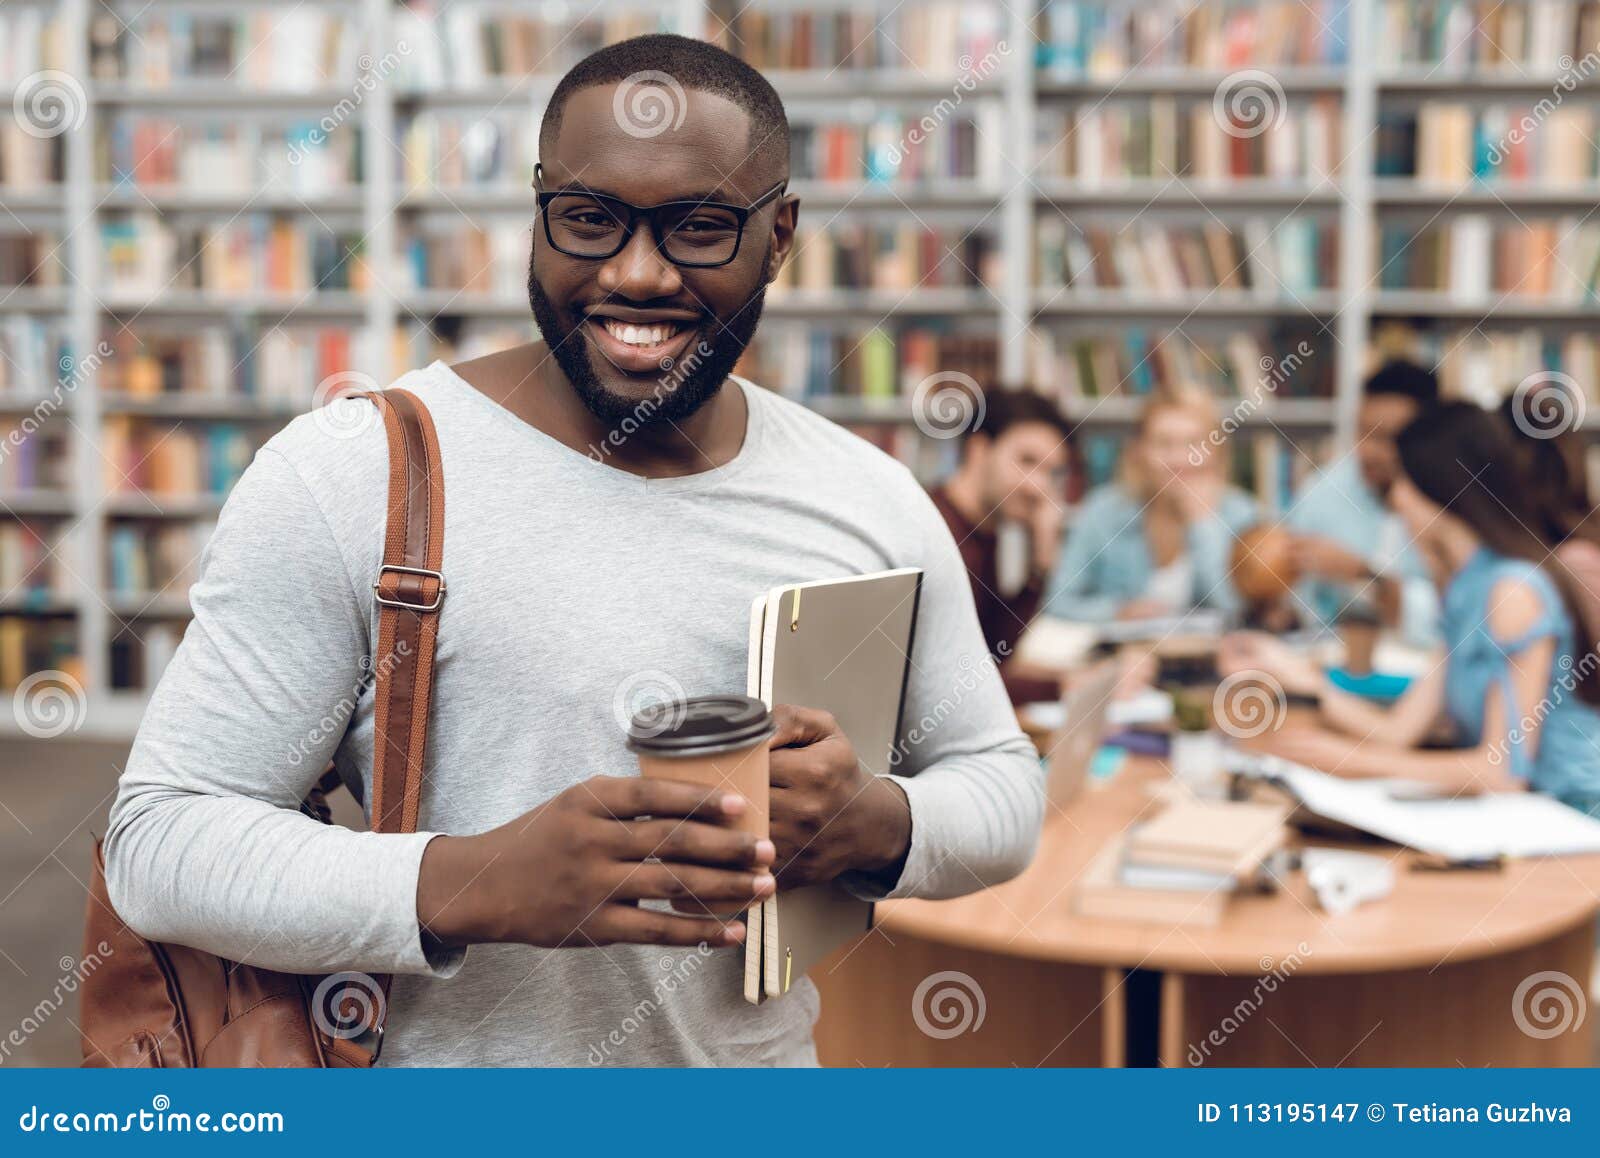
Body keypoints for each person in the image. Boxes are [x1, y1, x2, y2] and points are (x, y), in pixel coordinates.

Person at [102, 35, 1043, 1067]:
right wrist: (469, 880)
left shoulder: (866, 493)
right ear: (537, 215)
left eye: (697, 229)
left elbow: (1001, 786)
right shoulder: (351, 473)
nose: (636, 275)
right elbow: (164, 842)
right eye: (590, 220)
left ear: (778, 238)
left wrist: (878, 822)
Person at [1221, 402, 1600, 813]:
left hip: (1575, 814)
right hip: (1526, 814)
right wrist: (1295, 675)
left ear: (1441, 488)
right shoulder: (1469, 587)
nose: (1396, 498)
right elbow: (1396, 731)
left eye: (1404, 480)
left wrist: (1346, 760)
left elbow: (1501, 772)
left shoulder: (1512, 591)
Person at [1042, 385, 1257, 622]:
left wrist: (1202, 522)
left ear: (1217, 451)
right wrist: (1117, 612)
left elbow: (1239, 611)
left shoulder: (1243, 515)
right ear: (1140, 451)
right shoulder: (1102, 511)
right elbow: (1057, 602)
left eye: (1194, 444)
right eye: (1164, 444)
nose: (1179, 460)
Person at [927, 388, 1072, 703]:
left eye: (1051, 472)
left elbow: (995, 652)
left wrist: (1041, 563)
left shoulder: (982, 534)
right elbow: (957, 686)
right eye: (1027, 461)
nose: (1039, 487)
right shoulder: (939, 534)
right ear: (979, 450)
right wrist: (1063, 686)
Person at [1285, 358, 1440, 646]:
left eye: (1386, 438)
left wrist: (1363, 575)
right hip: (1335, 666)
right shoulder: (1322, 491)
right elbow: (1295, 605)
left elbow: (1458, 615)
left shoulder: (1454, 505)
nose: (1367, 451)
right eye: (1363, 432)